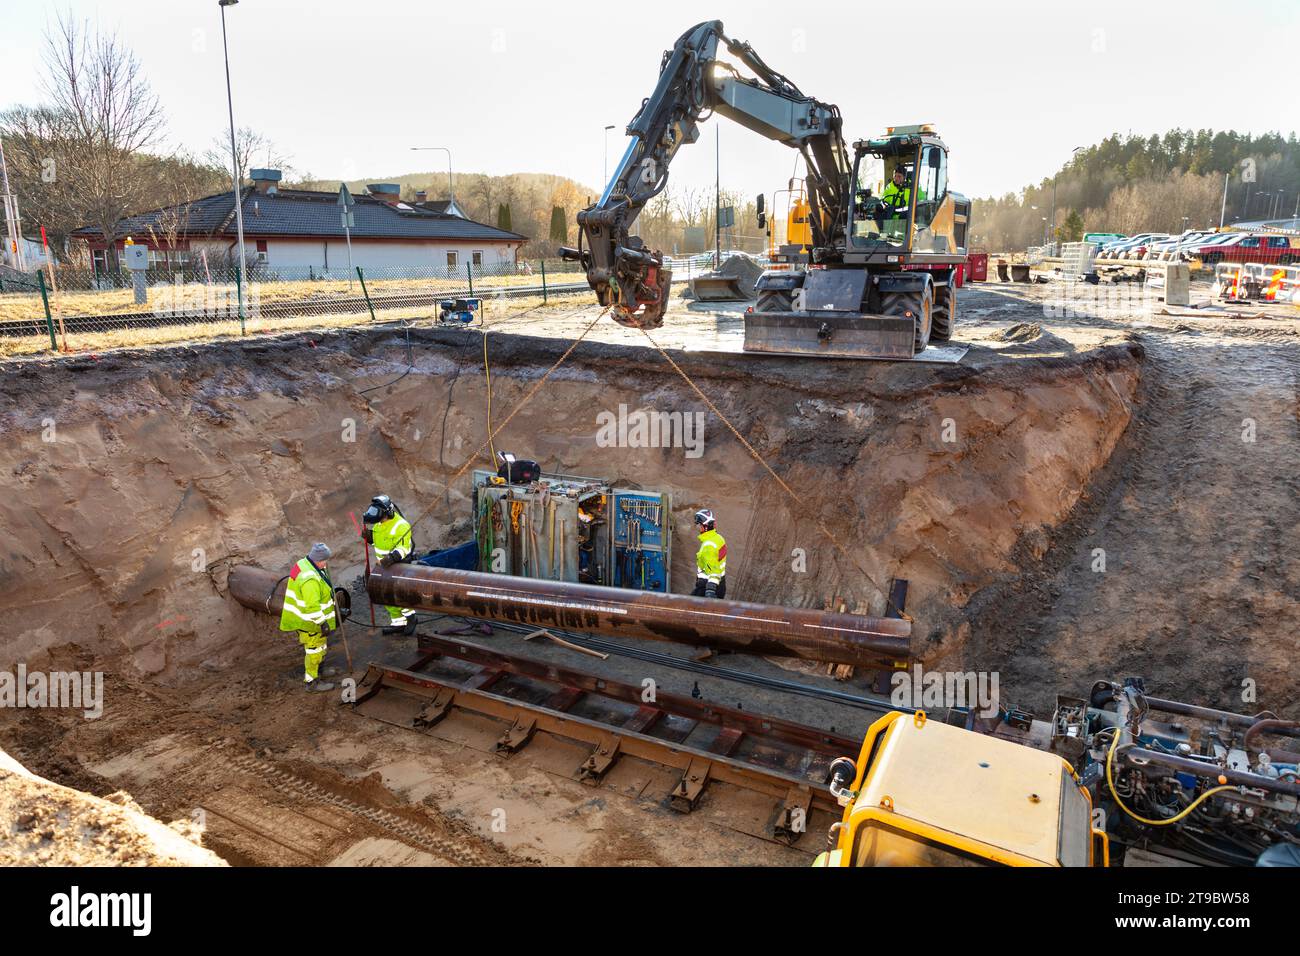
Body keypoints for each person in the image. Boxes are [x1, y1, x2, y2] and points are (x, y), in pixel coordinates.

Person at [278, 542, 339, 693]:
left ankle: (320, 671)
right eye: (324, 560)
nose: (326, 563)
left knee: (321, 646)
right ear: (318, 560)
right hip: (310, 622)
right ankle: (312, 682)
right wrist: (322, 622)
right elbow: (312, 606)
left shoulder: (304, 563)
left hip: (310, 620)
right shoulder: (310, 580)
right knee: (314, 650)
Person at [363, 494, 417, 636]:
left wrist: (389, 559)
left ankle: (411, 617)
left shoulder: (401, 525)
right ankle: (398, 623)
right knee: (386, 595)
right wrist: (370, 538)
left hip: (397, 564)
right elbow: (379, 543)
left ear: (387, 512)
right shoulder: (378, 524)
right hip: (383, 565)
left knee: (399, 593)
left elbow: (404, 549)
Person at [691, 509, 727, 599]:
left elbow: (714, 570)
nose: (697, 527)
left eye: (699, 525)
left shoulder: (708, 546)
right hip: (720, 584)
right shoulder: (718, 538)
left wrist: (710, 591)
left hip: (709, 586)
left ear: (705, 527)